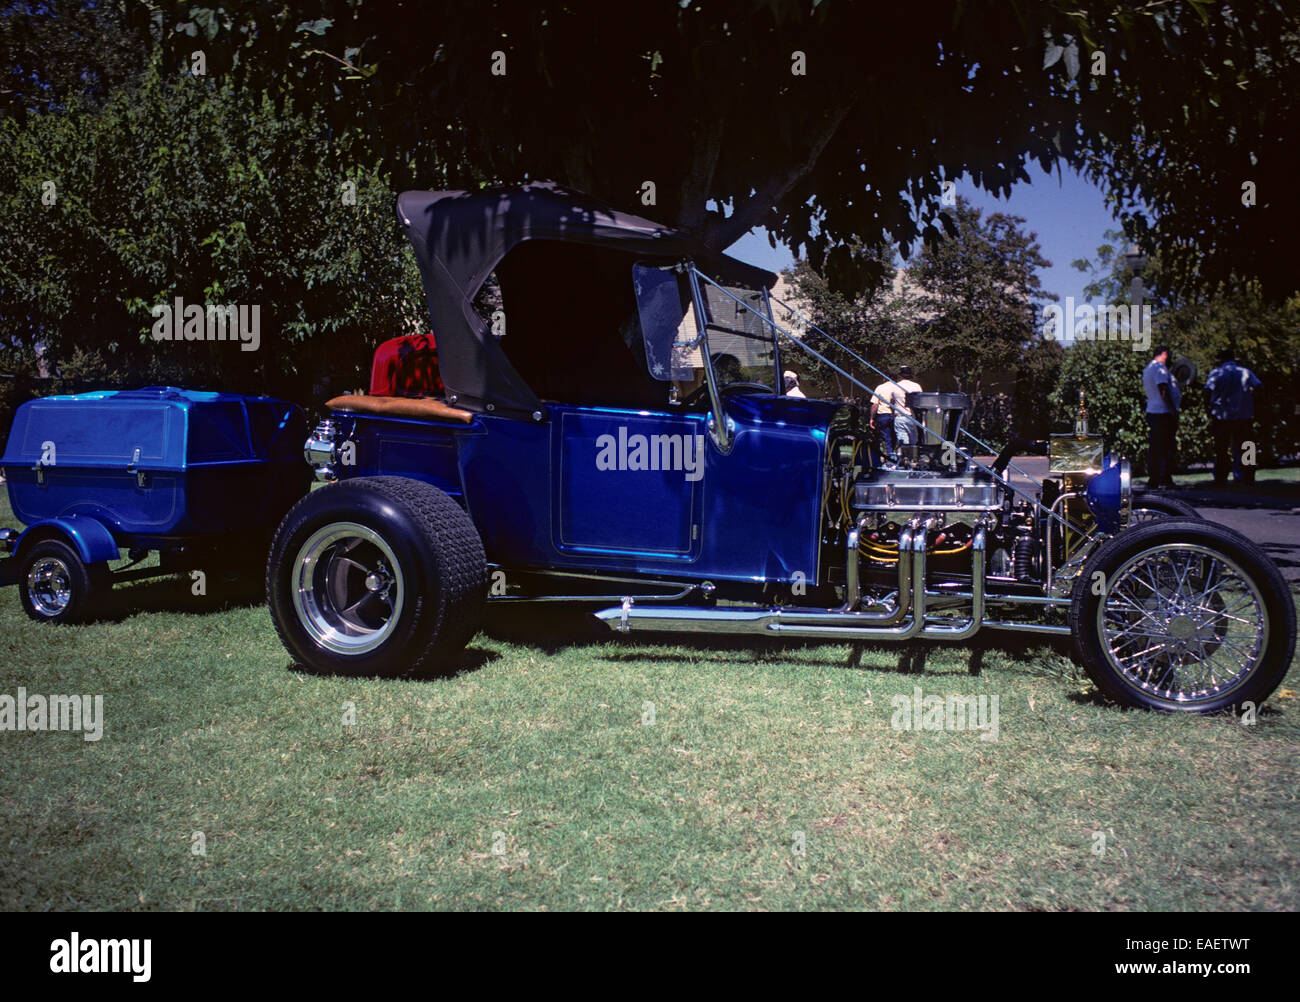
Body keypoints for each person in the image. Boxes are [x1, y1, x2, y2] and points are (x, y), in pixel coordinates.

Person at [1204, 347, 1261, 485]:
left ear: (1221, 359)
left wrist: (1208, 408)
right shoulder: (1245, 372)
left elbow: (1207, 391)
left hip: (1222, 416)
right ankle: (1248, 476)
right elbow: (1259, 387)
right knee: (1247, 446)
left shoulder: (1216, 373)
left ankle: (1221, 477)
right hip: (1243, 414)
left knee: (1222, 448)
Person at [1142, 345, 1179, 489]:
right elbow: (1162, 389)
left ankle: (1154, 478)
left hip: (1153, 410)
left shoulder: (1149, 368)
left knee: (1156, 447)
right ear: (1164, 354)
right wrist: (1172, 409)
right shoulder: (1160, 368)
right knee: (1165, 447)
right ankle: (1164, 479)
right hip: (1162, 412)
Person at [870, 373, 905, 465]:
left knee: (886, 439)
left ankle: (890, 460)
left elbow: (875, 405)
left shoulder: (880, 388)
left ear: (884, 378)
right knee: (896, 438)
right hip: (896, 415)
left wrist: (872, 418)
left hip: (883, 415)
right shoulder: (898, 387)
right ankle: (898, 458)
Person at [892, 365, 922, 450]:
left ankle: (904, 456)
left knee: (902, 442)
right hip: (912, 417)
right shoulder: (916, 386)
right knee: (914, 442)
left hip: (900, 416)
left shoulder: (895, 386)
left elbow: (892, 400)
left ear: (900, 375)